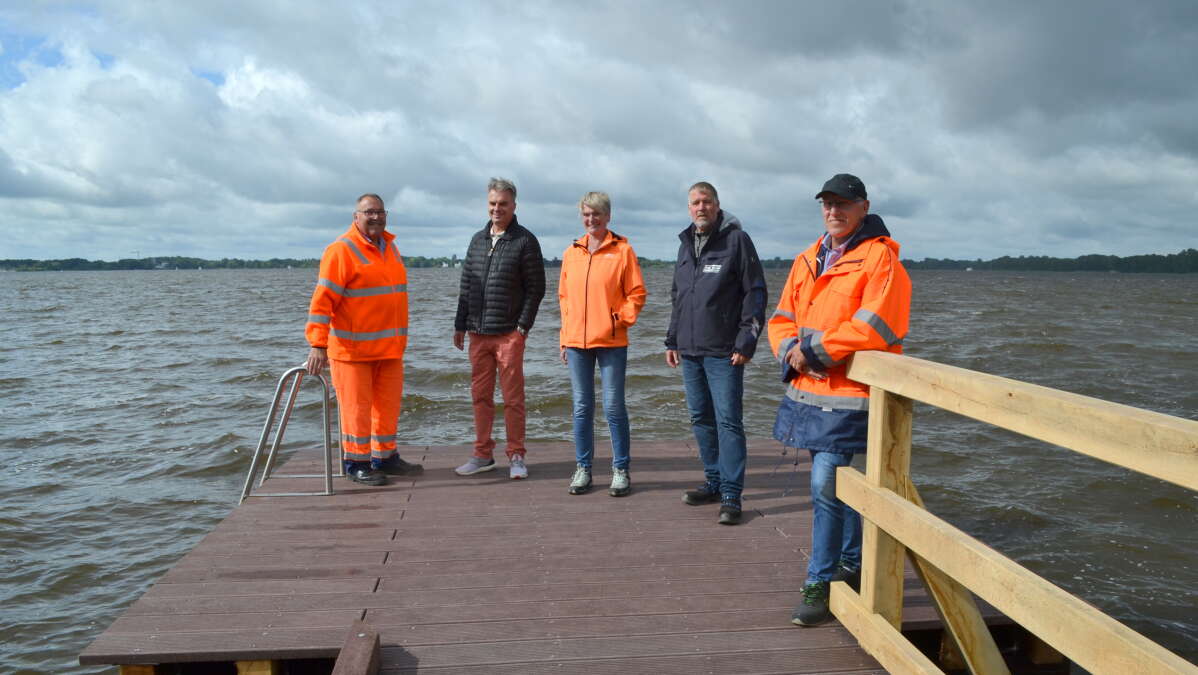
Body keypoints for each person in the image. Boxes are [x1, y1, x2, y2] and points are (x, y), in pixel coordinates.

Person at [768, 174, 911, 626]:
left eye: (843, 204)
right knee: (838, 486)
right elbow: (781, 317)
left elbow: (875, 326)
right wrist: (790, 349)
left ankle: (821, 579)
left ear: (863, 207)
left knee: (824, 486)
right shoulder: (807, 258)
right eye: (827, 204)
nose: (834, 211)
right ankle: (852, 562)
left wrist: (811, 351)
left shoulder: (881, 259)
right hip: (807, 392)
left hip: (850, 395)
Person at [665, 181, 767, 525]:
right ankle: (713, 480)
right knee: (700, 418)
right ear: (689, 207)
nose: (700, 207)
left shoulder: (737, 240)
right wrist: (672, 339)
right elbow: (678, 295)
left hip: (725, 351)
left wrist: (746, 342)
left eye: (706, 201)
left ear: (717, 204)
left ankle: (731, 494)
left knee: (728, 421)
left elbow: (755, 292)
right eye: (694, 202)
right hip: (690, 350)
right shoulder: (684, 244)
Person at [305, 193, 423, 486]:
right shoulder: (340, 250)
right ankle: (355, 462)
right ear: (355, 216)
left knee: (387, 408)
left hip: (389, 349)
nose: (376, 217)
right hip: (352, 351)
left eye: (380, 212)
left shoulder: (390, 247)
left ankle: (385, 457)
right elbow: (322, 303)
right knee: (356, 411)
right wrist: (318, 344)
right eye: (369, 212)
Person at [453, 177, 546, 479]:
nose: (497, 209)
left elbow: (536, 289)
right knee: (480, 397)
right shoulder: (477, 240)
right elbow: (466, 285)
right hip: (478, 334)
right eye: (493, 203)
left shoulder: (525, 240)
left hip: (508, 334)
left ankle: (516, 455)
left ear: (513, 206)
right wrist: (459, 326)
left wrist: (522, 328)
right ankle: (482, 455)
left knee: (513, 399)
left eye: (503, 204)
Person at [558, 192, 647, 497]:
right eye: (586, 214)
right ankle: (583, 469)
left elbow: (637, 294)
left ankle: (620, 469)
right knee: (582, 407)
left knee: (613, 407)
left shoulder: (623, 250)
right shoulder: (572, 252)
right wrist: (564, 337)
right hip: (576, 343)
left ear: (608, 216)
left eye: (596, 214)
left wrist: (618, 319)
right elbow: (564, 298)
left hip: (611, 341)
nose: (591, 219)